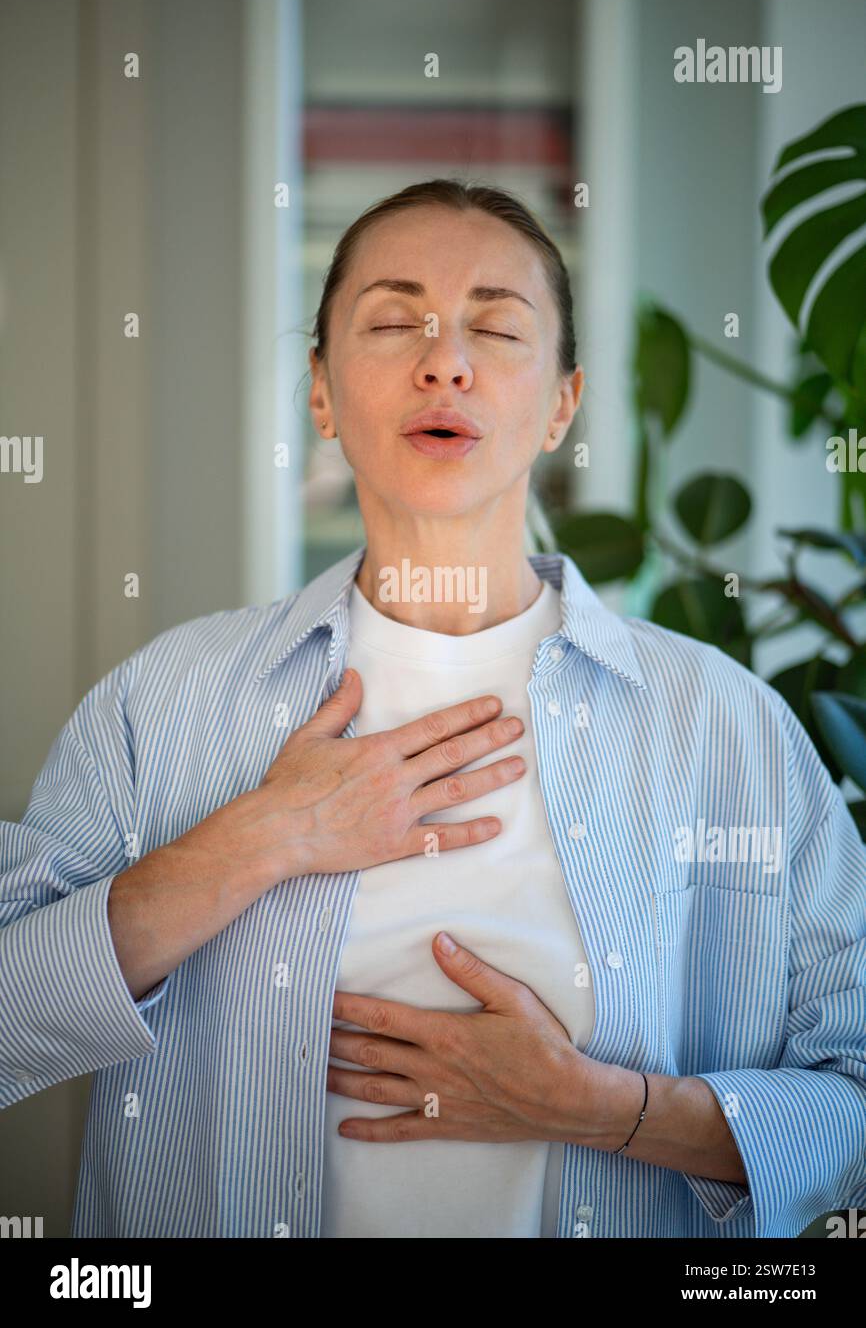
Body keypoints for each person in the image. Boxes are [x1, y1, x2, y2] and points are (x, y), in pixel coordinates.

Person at [1, 179, 865, 1240]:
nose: (443, 360)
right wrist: (261, 837)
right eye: (391, 320)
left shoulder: (731, 730)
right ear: (319, 393)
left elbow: (855, 1099)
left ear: (560, 403)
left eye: (495, 327)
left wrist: (607, 1110)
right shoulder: (158, 702)